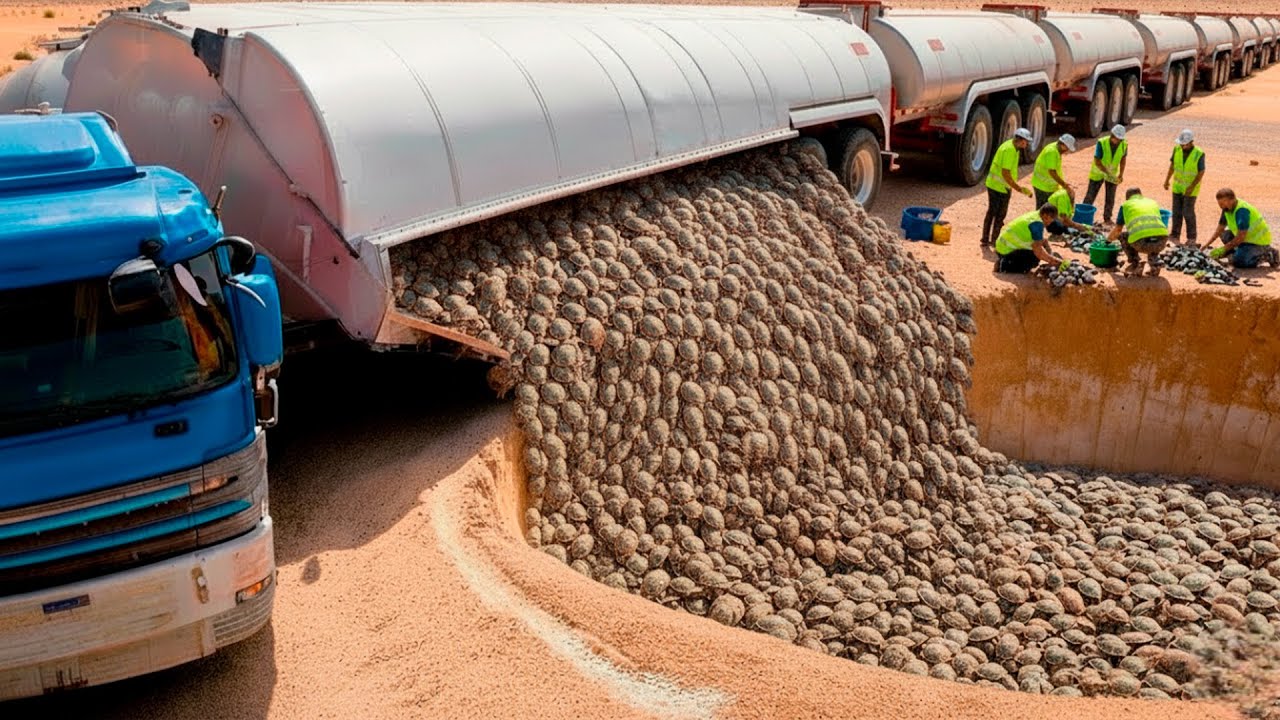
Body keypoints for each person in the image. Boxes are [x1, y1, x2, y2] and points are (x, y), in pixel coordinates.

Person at [1202, 188, 1279, 268]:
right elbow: (1220, 229)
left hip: (1257, 242)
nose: (1220, 206)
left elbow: (1240, 237)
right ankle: (1238, 252)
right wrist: (1206, 245)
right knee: (1224, 235)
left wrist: (1223, 249)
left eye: (1222, 204)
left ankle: (1268, 253)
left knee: (1239, 262)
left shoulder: (1242, 211)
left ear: (1231, 200)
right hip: (1246, 238)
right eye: (1219, 204)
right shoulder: (1227, 208)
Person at [983, 127, 1034, 248]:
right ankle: (994, 240)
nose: (1027, 144)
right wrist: (1018, 188)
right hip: (999, 187)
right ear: (1021, 140)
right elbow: (1005, 173)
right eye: (1026, 141)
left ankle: (986, 238)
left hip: (995, 185)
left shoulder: (1011, 147)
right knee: (999, 214)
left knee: (992, 212)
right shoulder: (1010, 150)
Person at [1107, 188, 1169, 277]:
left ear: (1127, 198)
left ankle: (1135, 262)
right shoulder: (1152, 202)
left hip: (1142, 243)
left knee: (1123, 236)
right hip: (1162, 241)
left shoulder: (1126, 205)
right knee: (1154, 234)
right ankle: (1154, 263)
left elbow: (1118, 230)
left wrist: (1108, 241)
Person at [994, 203, 1070, 274]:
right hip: (1005, 249)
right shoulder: (1037, 224)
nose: (1048, 224)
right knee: (1034, 260)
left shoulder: (1036, 215)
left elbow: (1041, 241)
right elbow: (1038, 251)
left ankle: (1007, 260)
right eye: (1048, 221)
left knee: (1039, 246)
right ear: (1045, 215)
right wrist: (1055, 261)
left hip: (1001, 244)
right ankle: (1004, 265)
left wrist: (1050, 252)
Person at [1163, 129, 1205, 247]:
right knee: (1176, 211)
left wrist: (1191, 187)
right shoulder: (1177, 149)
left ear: (1191, 142)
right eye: (1181, 144)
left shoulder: (1199, 153)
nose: (1182, 146)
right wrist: (1167, 180)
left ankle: (1192, 238)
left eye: (1184, 144)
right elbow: (1172, 166)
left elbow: (1201, 172)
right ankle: (1175, 234)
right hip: (1177, 186)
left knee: (1188, 212)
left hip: (1191, 189)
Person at [1083, 124, 1128, 222]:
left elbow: (1123, 159)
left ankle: (1107, 218)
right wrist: (1107, 172)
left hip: (1112, 175)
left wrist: (1121, 174)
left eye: (1120, 139)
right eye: (1116, 139)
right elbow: (1097, 161)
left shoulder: (1124, 144)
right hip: (1098, 173)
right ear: (1112, 136)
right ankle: (1084, 216)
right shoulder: (1102, 143)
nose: (1118, 141)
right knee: (1090, 196)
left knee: (1110, 198)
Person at [1032, 133, 1077, 207]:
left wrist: (1062, 183)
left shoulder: (1056, 149)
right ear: (1063, 145)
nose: (1067, 150)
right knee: (1043, 211)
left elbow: (1056, 170)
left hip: (1047, 185)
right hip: (1042, 186)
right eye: (1067, 148)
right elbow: (1052, 172)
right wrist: (1064, 185)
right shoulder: (1052, 152)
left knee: (1048, 210)